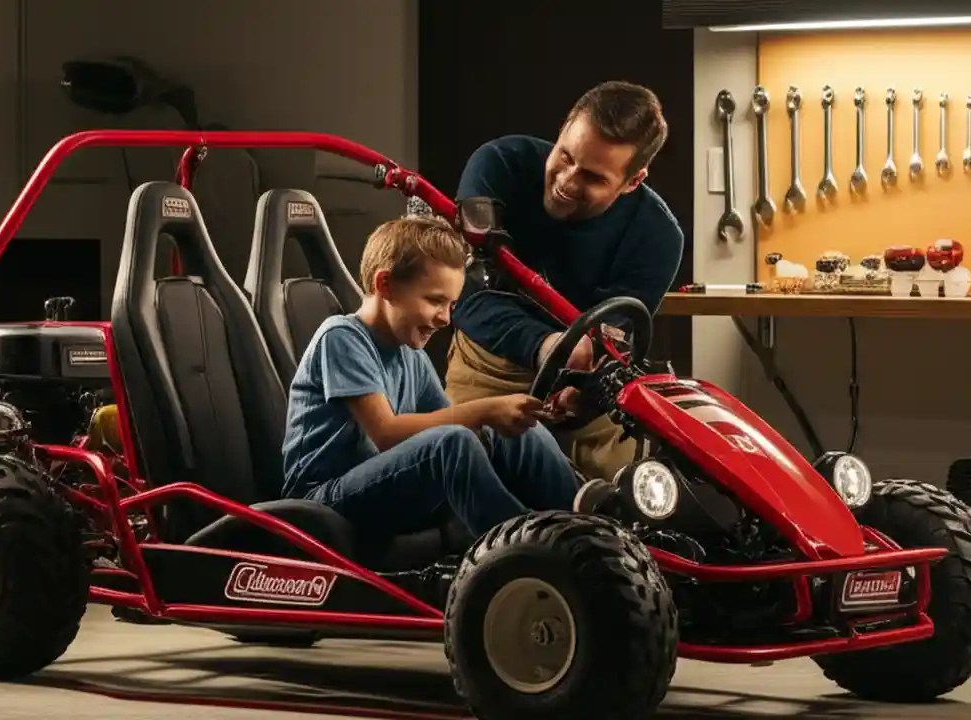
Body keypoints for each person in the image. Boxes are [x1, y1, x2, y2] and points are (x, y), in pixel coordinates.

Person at [445, 80, 687, 484]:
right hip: (487, 371)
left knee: (630, 499)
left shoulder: (659, 237)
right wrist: (546, 345)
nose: (568, 182)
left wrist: (584, 394)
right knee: (471, 480)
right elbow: (466, 296)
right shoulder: (497, 165)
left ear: (633, 181)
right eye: (565, 156)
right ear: (563, 129)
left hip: (585, 392)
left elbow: (614, 338)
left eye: (593, 178)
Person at [280, 215, 581, 539]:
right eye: (435, 301)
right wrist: (486, 409)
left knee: (515, 433)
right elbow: (387, 434)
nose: (445, 318)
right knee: (454, 443)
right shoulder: (340, 337)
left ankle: (580, 524)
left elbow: (453, 422)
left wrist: (523, 416)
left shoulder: (412, 356)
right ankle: (527, 547)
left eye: (452, 304)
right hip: (323, 499)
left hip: (381, 484)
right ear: (386, 285)